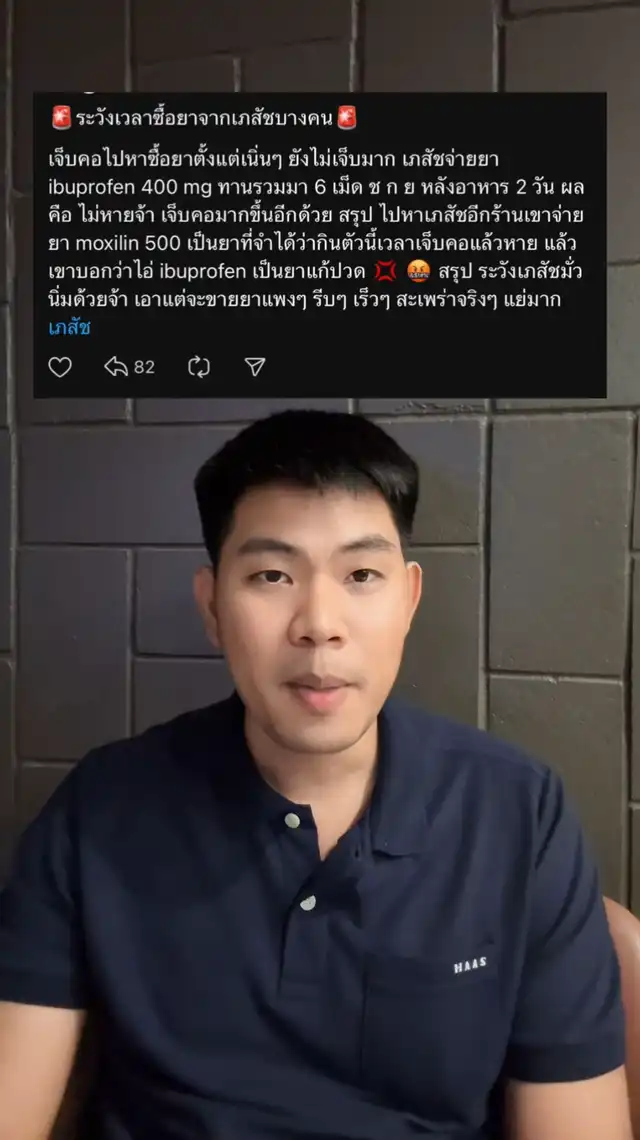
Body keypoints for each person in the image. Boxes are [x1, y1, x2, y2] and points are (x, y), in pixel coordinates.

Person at [0, 409, 632, 1140]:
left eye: (361, 575)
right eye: (271, 575)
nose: (319, 624)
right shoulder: (101, 810)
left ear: (409, 600)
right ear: (212, 606)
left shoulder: (520, 813)